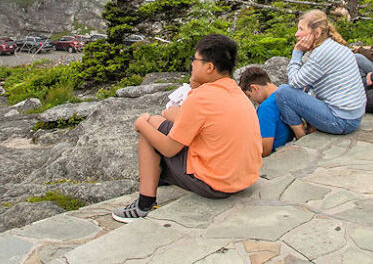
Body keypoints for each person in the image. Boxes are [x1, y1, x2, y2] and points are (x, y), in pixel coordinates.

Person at [112, 34, 261, 222]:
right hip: (244, 179)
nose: (192, 64)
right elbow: (198, 123)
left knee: (148, 132)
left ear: (209, 67)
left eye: (195, 60)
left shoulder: (200, 97)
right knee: (156, 122)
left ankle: (144, 205)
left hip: (216, 185)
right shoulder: (234, 92)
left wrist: (141, 123)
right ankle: (158, 176)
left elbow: (168, 148)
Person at [276, 10, 366, 138]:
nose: (297, 34)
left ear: (317, 33)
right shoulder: (333, 46)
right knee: (306, 87)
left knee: (283, 92)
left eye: (301, 29)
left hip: (343, 121)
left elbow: (294, 82)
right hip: (353, 116)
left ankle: (301, 137)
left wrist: (297, 52)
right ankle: (310, 129)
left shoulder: (322, 53)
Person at [238, 66, 294, 156]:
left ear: (254, 88)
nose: (253, 100)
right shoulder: (285, 92)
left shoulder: (266, 108)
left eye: (250, 95)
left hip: (276, 155)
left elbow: (265, 149)